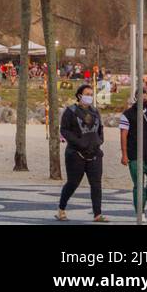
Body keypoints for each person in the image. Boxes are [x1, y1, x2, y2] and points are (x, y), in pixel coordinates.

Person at [57, 83, 107, 222]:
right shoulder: (70, 111)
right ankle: (61, 209)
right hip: (76, 154)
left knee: (96, 184)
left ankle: (97, 214)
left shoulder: (95, 111)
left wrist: (99, 140)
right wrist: (79, 142)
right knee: (73, 183)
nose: (89, 97)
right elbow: (64, 130)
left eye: (91, 94)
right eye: (87, 94)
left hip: (95, 153)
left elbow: (100, 128)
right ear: (79, 95)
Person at [120, 86, 147, 219]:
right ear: (136, 98)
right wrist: (124, 155)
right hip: (135, 156)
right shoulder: (127, 114)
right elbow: (123, 135)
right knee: (138, 185)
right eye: (142, 95)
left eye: (146, 95)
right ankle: (141, 212)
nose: (145, 98)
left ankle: (142, 198)